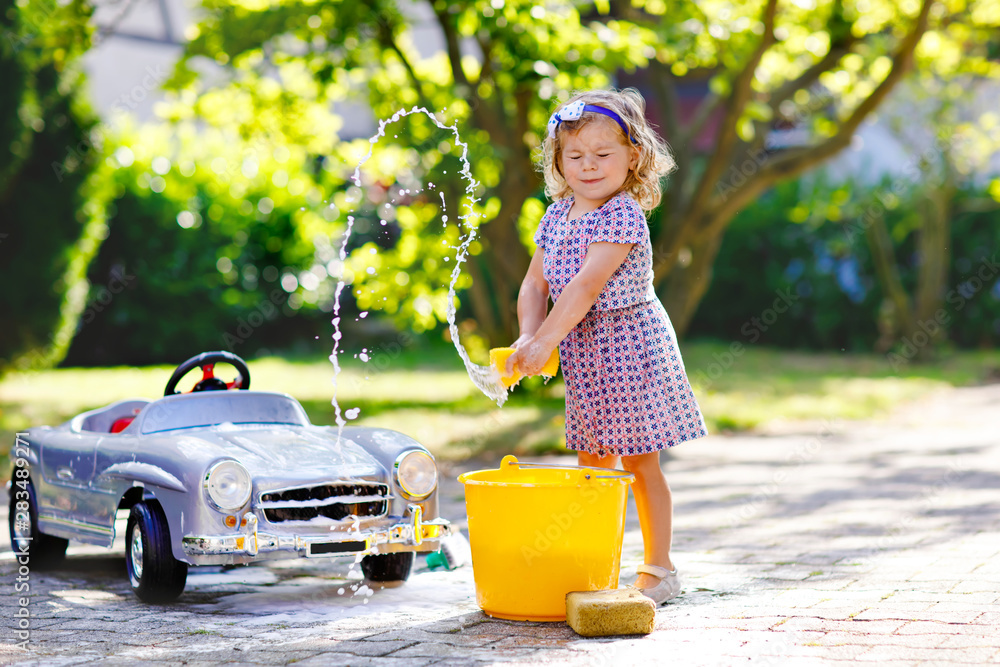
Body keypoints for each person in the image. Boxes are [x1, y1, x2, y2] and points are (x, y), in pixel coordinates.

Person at [504, 88, 707, 604]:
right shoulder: (556, 216)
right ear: (558, 160)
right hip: (585, 353)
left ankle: (660, 569)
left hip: (629, 346)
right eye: (575, 156)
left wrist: (547, 336)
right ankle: (597, 564)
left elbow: (586, 288)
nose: (588, 166)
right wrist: (530, 335)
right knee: (593, 464)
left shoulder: (622, 214)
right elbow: (536, 285)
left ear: (633, 157)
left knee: (640, 460)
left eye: (602, 155)